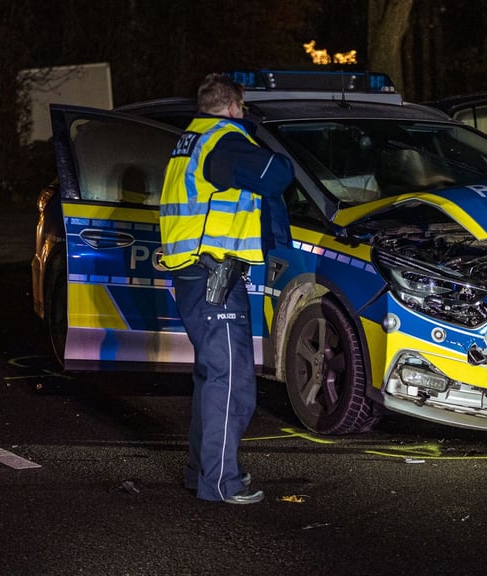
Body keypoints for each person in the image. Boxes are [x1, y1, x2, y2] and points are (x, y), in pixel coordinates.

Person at [159, 73, 294, 505]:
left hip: (194, 273)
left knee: (211, 378)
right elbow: (277, 174)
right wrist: (255, 133)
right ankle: (221, 483)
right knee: (232, 381)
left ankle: (202, 472)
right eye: (243, 110)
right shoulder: (225, 141)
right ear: (235, 107)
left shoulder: (189, 141)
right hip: (215, 274)